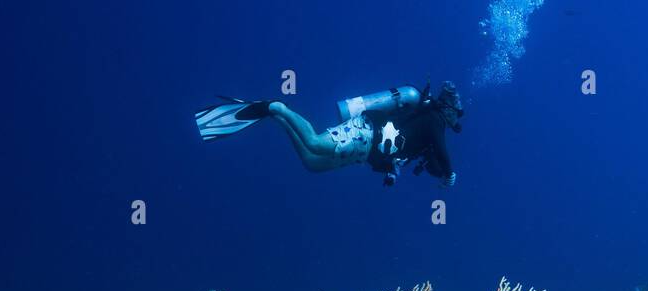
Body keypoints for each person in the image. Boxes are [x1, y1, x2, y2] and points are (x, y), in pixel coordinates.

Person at [196, 82, 462, 187]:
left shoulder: (429, 126)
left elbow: (434, 161)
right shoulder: (433, 118)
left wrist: (442, 175)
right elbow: (442, 152)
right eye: (455, 113)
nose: (453, 120)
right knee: (314, 142)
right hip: (366, 132)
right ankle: (278, 106)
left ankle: (277, 117)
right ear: (447, 108)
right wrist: (450, 174)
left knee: (312, 163)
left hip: (365, 151)